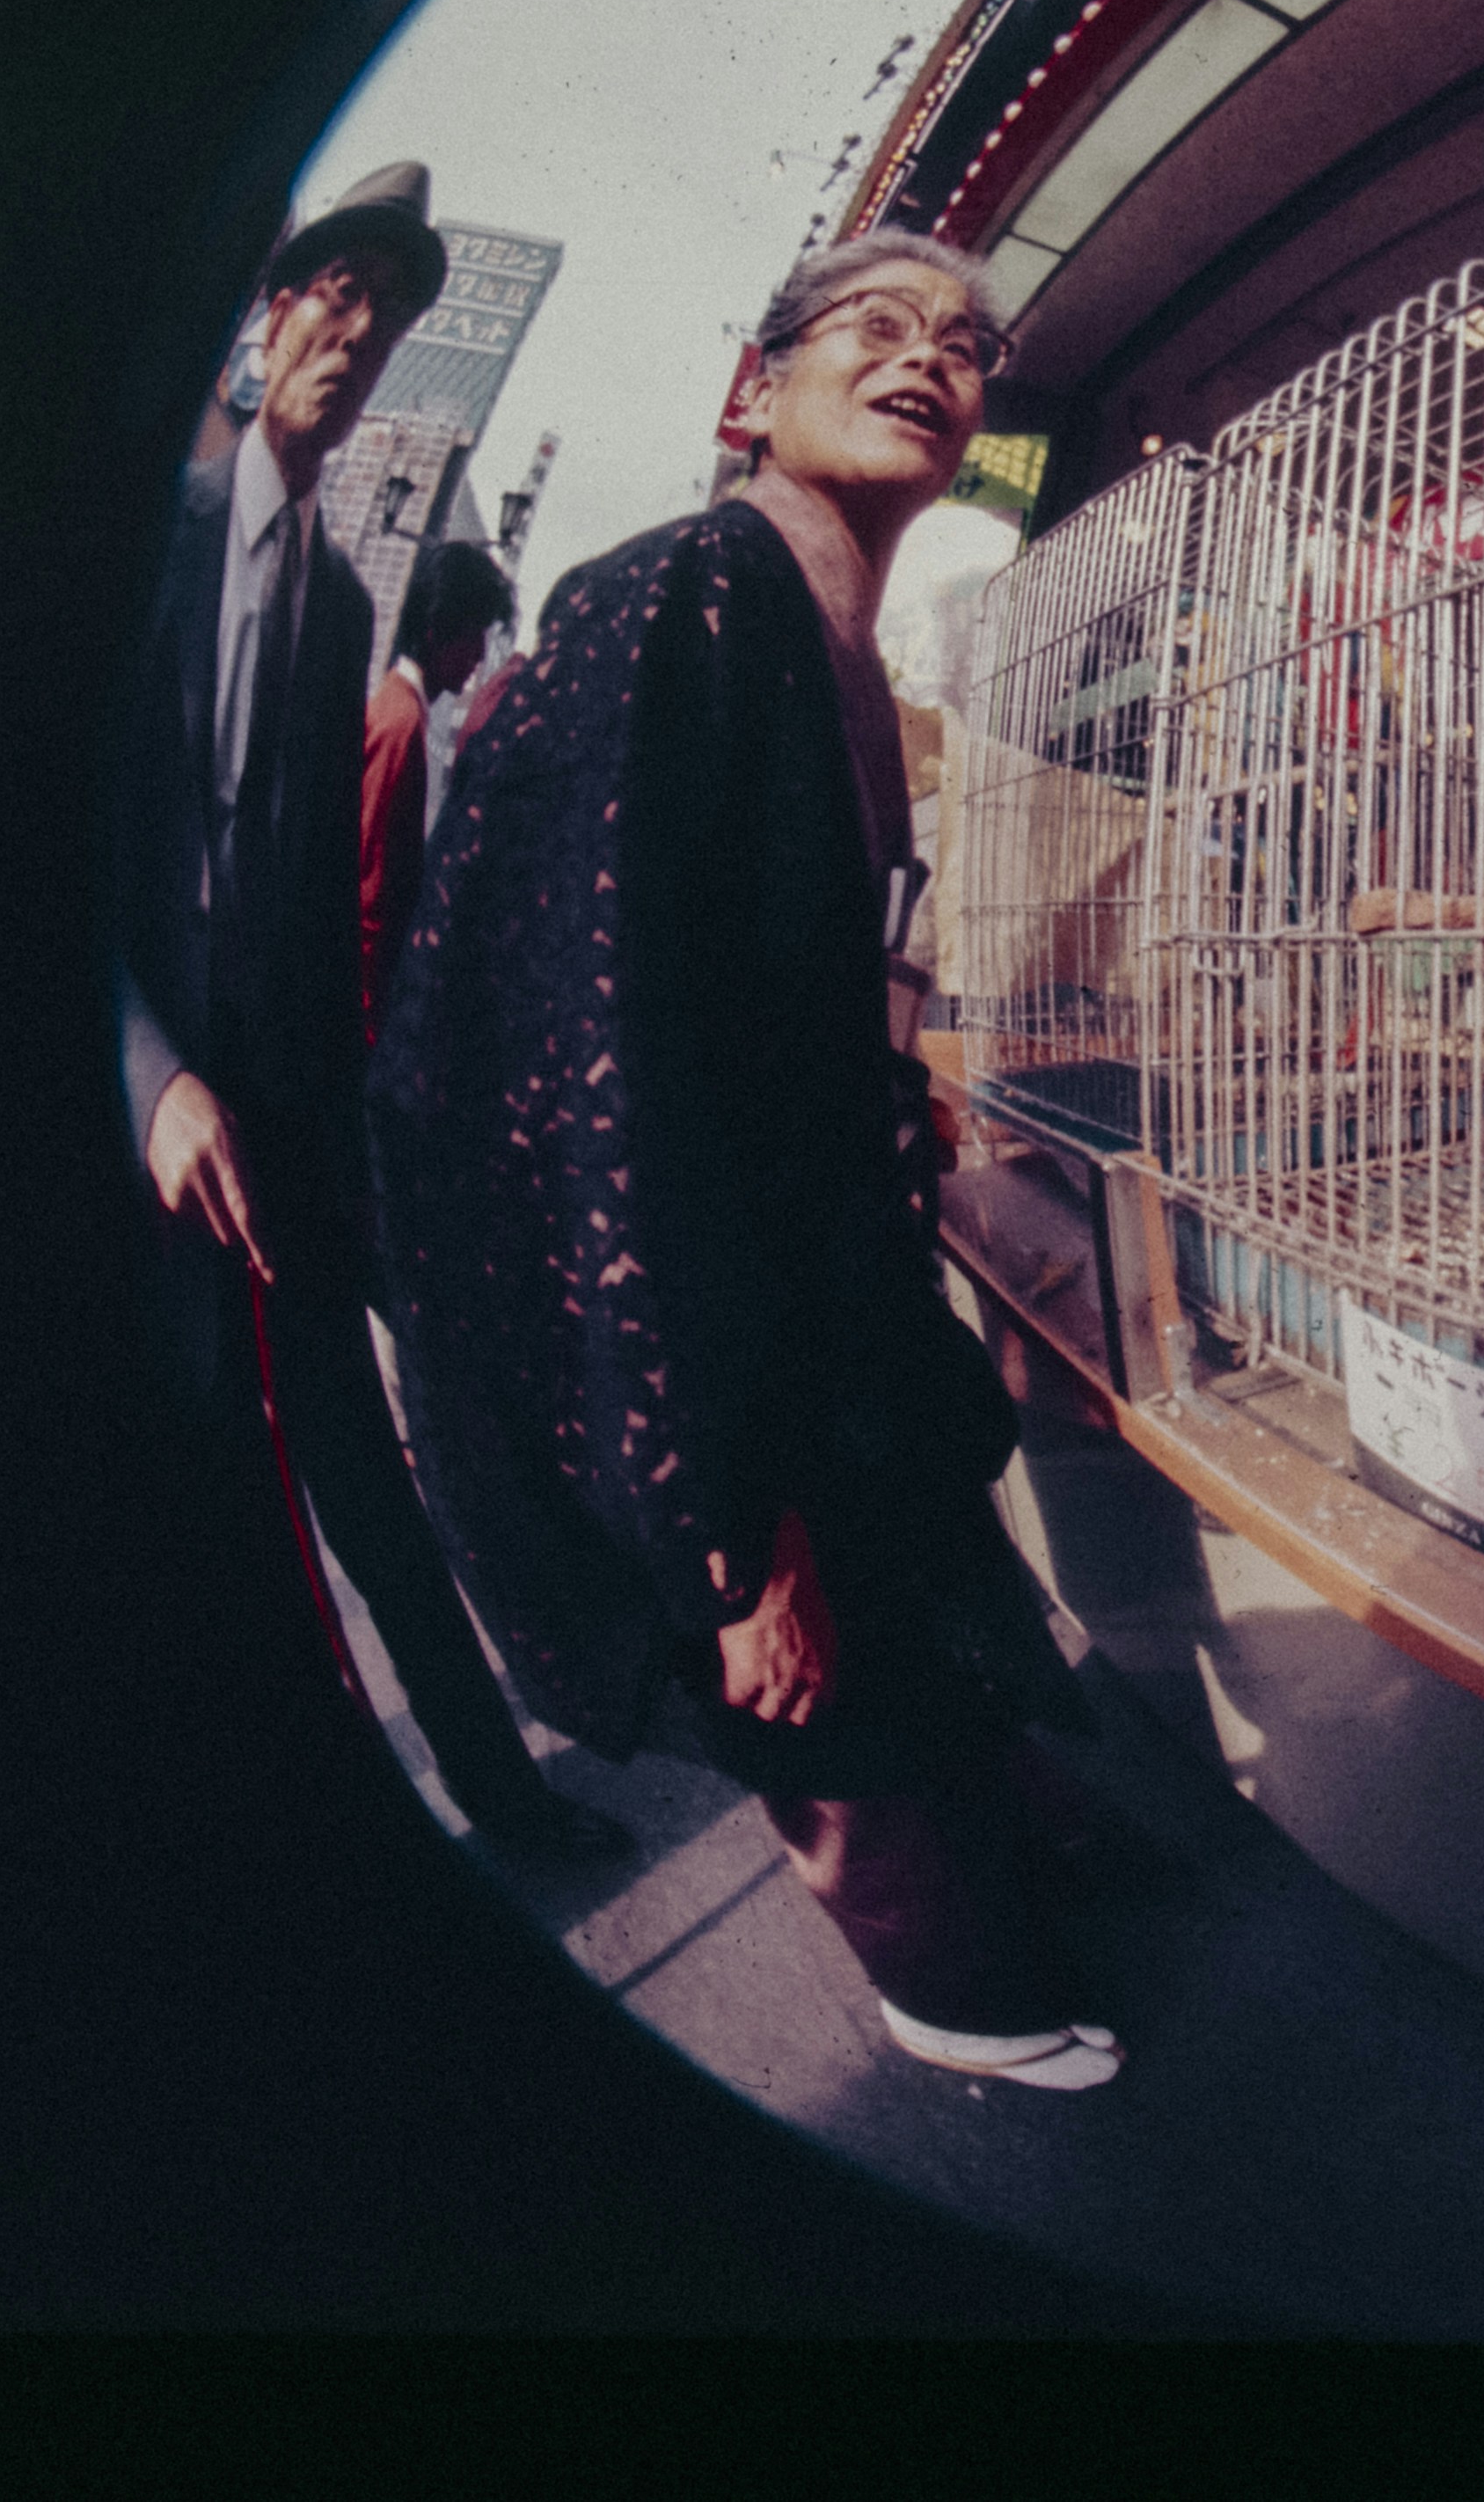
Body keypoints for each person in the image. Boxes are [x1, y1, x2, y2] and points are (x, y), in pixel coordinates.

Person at [369, 230, 1119, 2089]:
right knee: (817, 1706)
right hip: (692, 1337)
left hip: (803, 1301)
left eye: (962, 342)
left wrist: (879, 1102)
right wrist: (707, 1515)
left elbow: (760, 988)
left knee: (917, 1639)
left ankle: (998, 1906)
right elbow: (593, 1054)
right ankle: (954, 2016)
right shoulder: (684, 593)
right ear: (749, 391)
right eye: (873, 327)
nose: (929, 358)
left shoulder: (828, 638)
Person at [110, 160, 633, 1869]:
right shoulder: (153, 545)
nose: (351, 332)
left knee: (372, 1502)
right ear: (268, 317)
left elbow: (298, 905)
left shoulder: (337, 599)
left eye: (382, 314)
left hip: (297, 1150)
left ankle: (494, 1798)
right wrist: (153, 1074)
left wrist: (349, 1112)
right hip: (156, 1143)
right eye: (326, 296)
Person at [361, 539, 515, 1040]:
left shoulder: (403, 712)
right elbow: (370, 896)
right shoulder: (401, 723)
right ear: (435, 630)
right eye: (472, 636)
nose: (477, 657)